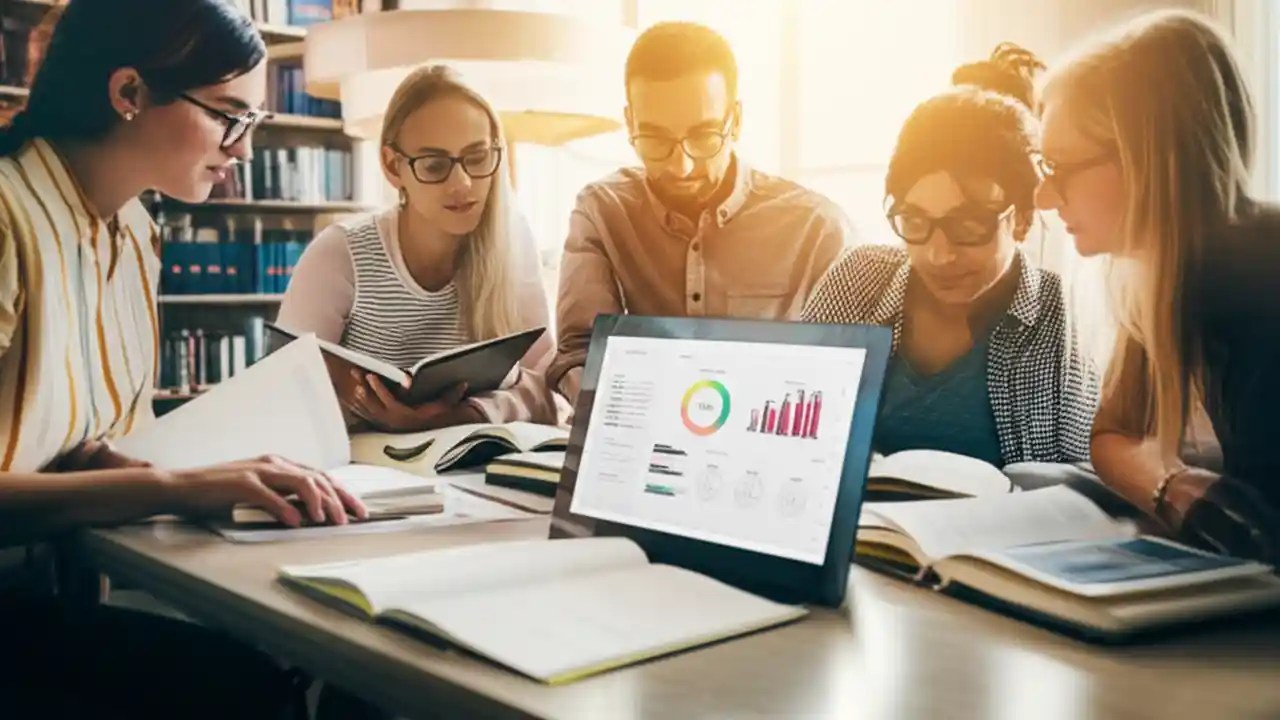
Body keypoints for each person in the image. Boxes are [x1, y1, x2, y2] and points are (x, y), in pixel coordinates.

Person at [0, 1, 363, 716]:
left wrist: (164, 472)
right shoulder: (9, 218)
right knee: (248, 689)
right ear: (129, 93)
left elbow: (74, 442)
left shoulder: (135, 233)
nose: (245, 149)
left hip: (58, 588)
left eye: (254, 122)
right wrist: (173, 486)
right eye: (229, 115)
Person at [1036, 9, 1280, 562]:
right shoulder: (1151, 275)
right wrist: (1173, 487)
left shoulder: (1261, 289)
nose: (1044, 198)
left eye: (1060, 166)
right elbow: (1110, 436)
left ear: (1148, 160)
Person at [803, 44, 1097, 466]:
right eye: (916, 222)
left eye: (968, 227)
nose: (939, 255)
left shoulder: (1064, 318)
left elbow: (1077, 480)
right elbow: (793, 426)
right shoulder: (859, 277)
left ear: (1022, 219)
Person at [547, 22, 856, 405]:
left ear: (736, 121)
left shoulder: (817, 227)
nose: (682, 166)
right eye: (656, 139)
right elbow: (579, 351)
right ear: (629, 124)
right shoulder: (603, 211)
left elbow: (843, 375)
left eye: (704, 136)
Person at [278, 64, 559, 432]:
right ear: (393, 167)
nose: (462, 183)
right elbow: (282, 398)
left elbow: (547, 387)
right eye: (435, 164)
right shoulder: (340, 255)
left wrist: (461, 414)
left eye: (476, 158)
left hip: (467, 465)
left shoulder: (511, 240)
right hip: (361, 471)